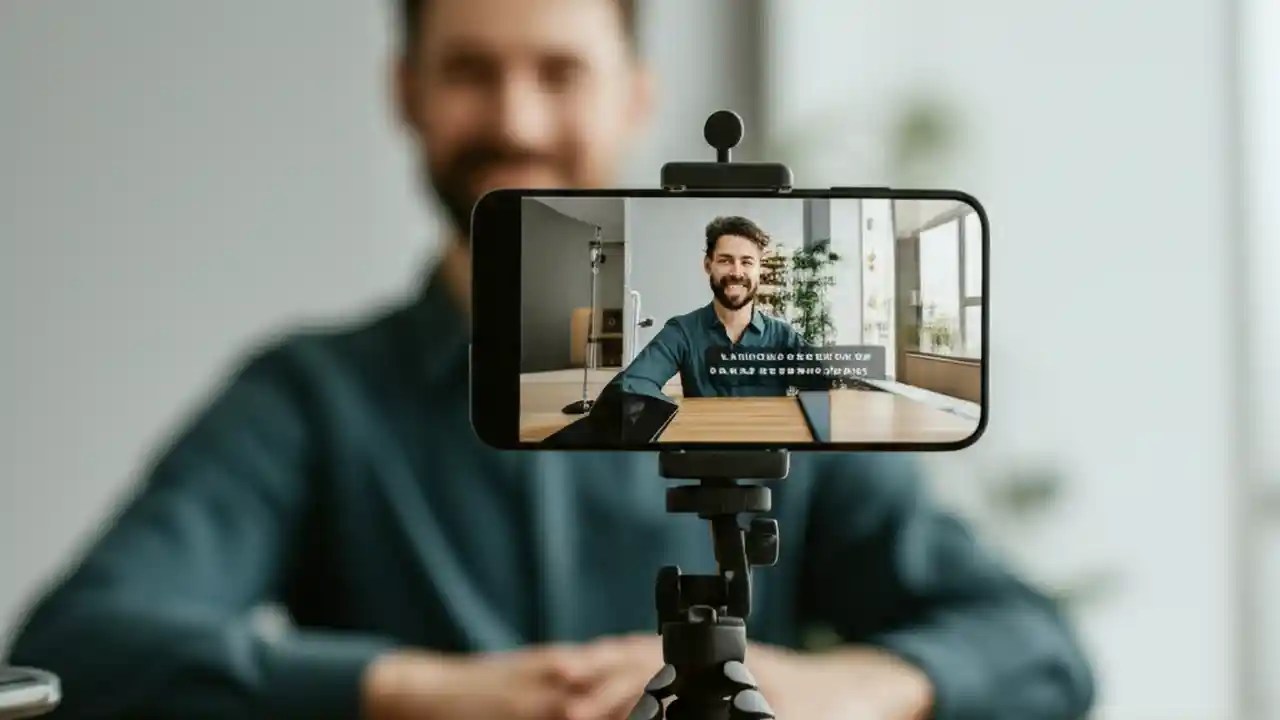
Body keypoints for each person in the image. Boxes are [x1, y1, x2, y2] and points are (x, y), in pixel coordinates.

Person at [6, 1, 1096, 719]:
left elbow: (1032, 651)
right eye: (470, 72)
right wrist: (424, 692)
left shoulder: (786, 375)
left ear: (633, 93)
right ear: (406, 95)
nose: (515, 116)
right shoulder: (312, 399)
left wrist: (822, 687)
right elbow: (86, 649)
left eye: (558, 71)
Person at [612, 215, 810, 400]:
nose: (737, 272)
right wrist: (673, 414)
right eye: (725, 261)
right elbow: (632, 384)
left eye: (747, 262)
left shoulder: (783, 336)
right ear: (708, 265)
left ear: (759, 270)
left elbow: (826, 384)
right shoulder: (682, 331)